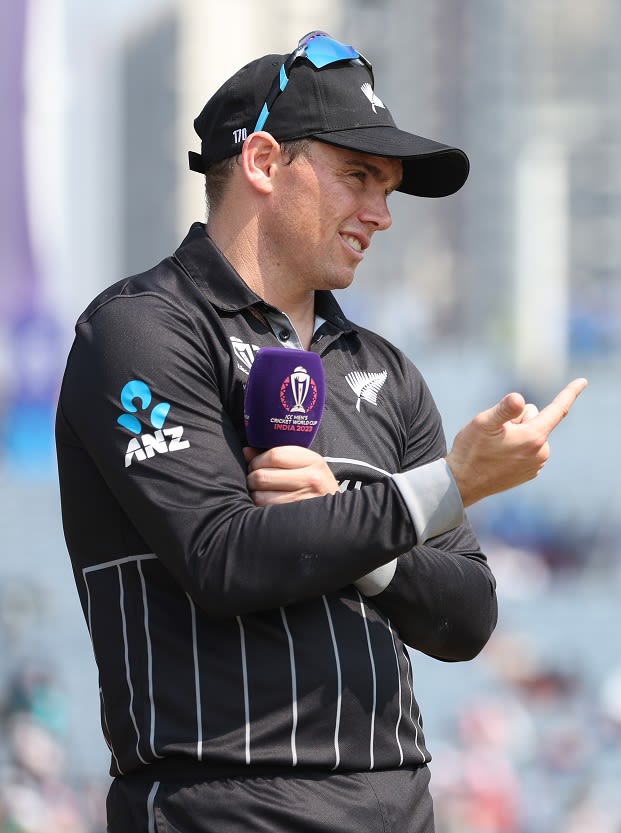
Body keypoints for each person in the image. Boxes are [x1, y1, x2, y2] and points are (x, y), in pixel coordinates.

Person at [54, 31, 586, 832]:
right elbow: (221, 557)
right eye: (359, 176)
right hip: (221, 805)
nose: (381, 214)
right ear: (264, 162)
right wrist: (444, 487)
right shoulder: (139, 331)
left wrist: (365, 539)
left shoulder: (387, 371)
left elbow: (468, 616)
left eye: (389, 188)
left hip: (399, 805)